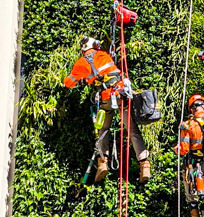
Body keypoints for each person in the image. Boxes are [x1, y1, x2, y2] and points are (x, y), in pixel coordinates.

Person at [63, 37, 151, 183]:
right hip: (120, 94)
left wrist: (83, 78)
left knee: (103, 130)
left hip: (105, 99)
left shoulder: (80, 64)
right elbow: (109, 71)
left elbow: (68, 83)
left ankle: (103, 162)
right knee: (132, 130)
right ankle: (144, 163)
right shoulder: (103, 55)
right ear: (94, 46)